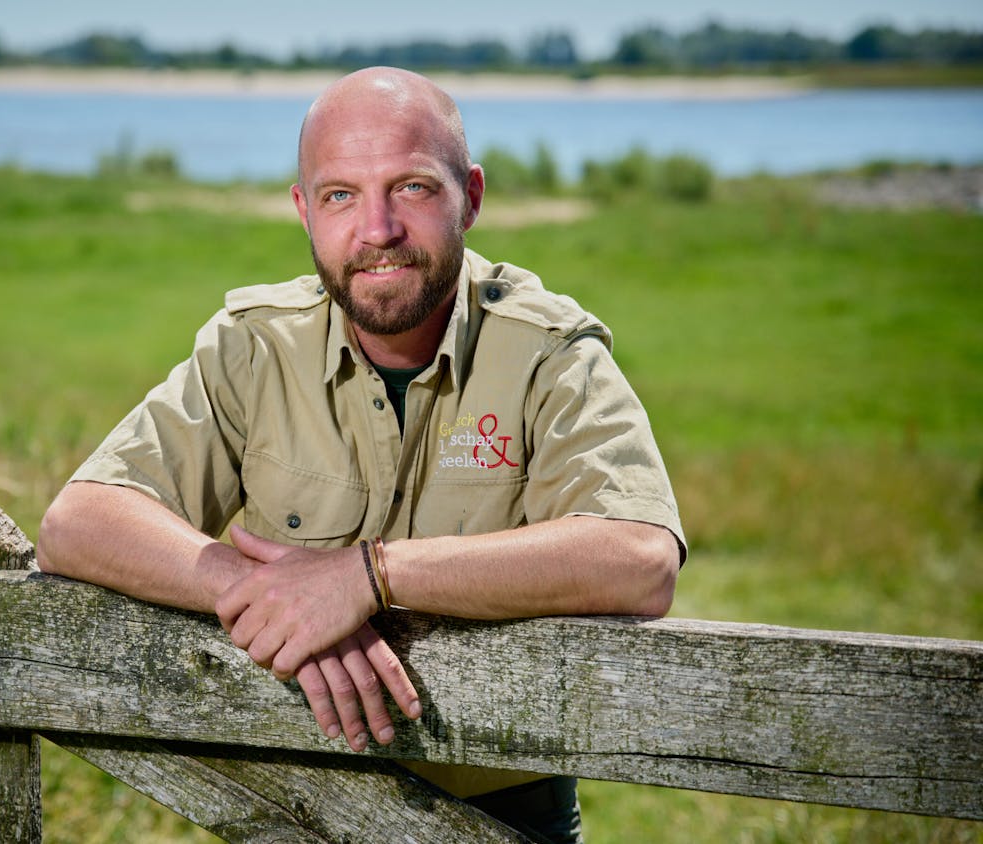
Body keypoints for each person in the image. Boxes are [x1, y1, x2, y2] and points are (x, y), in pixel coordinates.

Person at [37, 66, 685, 844]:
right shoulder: (254, 346)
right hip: (286, 801)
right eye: (341, 195)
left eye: (412, 188)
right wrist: (267, 594)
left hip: (503, 807)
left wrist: (366, 577)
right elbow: (78, 522)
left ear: (471, 197)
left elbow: (640, 558)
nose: (376, 230)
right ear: (304, 211)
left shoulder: (549, 353)